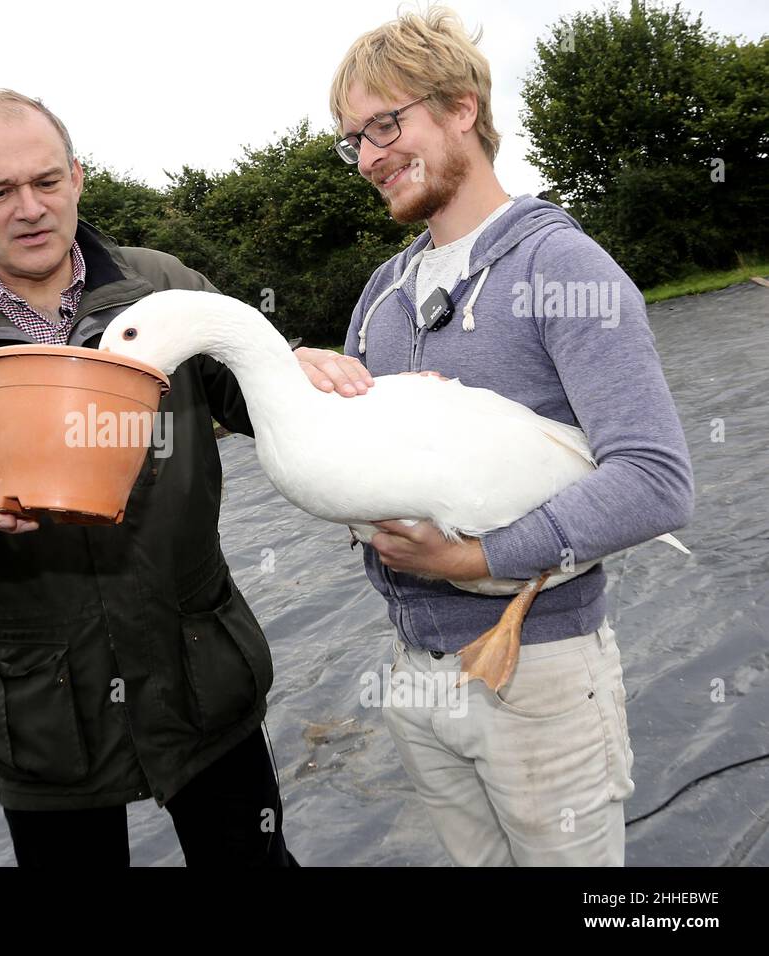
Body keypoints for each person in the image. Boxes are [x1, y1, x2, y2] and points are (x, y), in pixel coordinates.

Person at [0, 89, 369, 866]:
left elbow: (248, 389)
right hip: (41, 706)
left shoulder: (162, 286)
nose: (30, 208)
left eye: (47, 181)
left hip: (197, 672)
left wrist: (297, 370)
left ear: (78, 176)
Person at [329, 8, 694, 865]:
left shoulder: (559, 268)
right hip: (417, 668)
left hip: (542, 674)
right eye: (353, 140)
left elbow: (654, 479)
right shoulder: (381, 294)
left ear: (462, 109)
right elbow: (354, 453)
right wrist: (311, 389)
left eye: (388, 123)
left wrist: (475, 559)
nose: (371, 155)